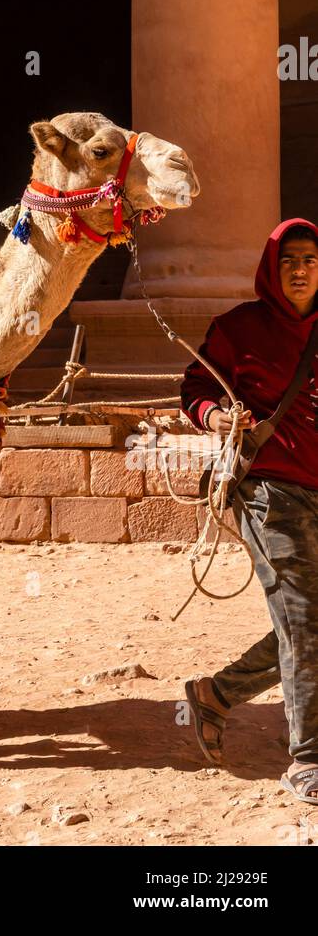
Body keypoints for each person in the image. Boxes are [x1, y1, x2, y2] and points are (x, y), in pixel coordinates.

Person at [180, 218, 318, 803]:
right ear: (271, 267)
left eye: (310, 258)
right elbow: (194, 386)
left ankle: (215, 695)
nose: (300, 269)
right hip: (269, 491)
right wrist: (214, 415)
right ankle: (308, 760)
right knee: (305, 621)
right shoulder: (238, 328)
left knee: (307, 625)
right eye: (288, 260)